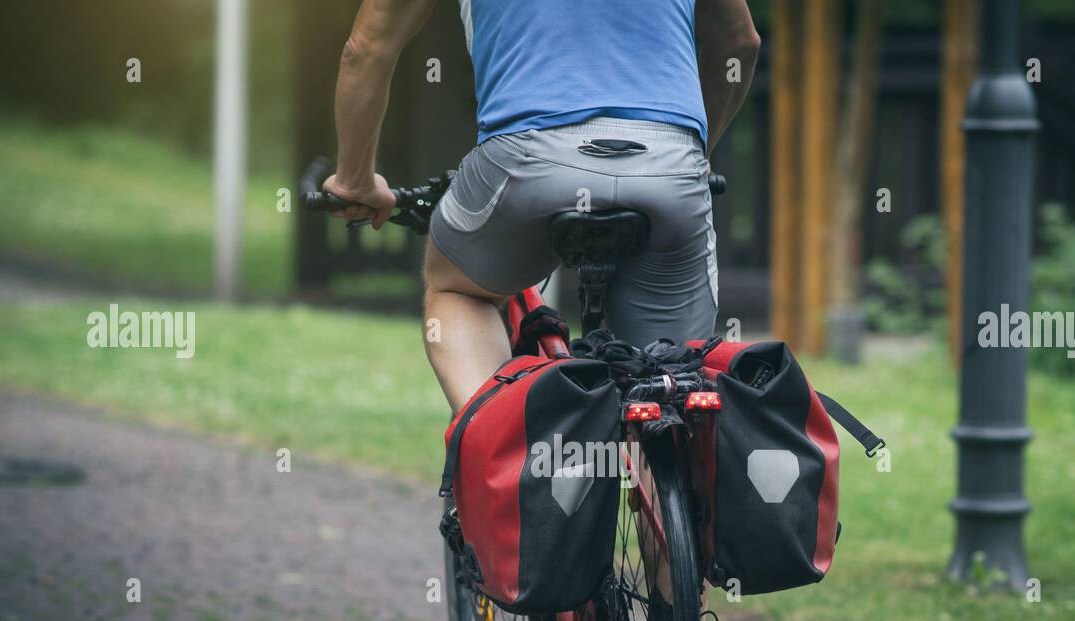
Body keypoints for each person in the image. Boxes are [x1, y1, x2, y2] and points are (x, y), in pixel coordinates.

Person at [320, 0, 760, 414]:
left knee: (457, 288)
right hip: (668, 166)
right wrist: (695, 157)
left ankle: (497, 438)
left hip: (526, 161)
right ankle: (677, 474)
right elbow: (740, 44)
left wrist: (355, 181)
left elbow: (366, 48)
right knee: (673, 379)